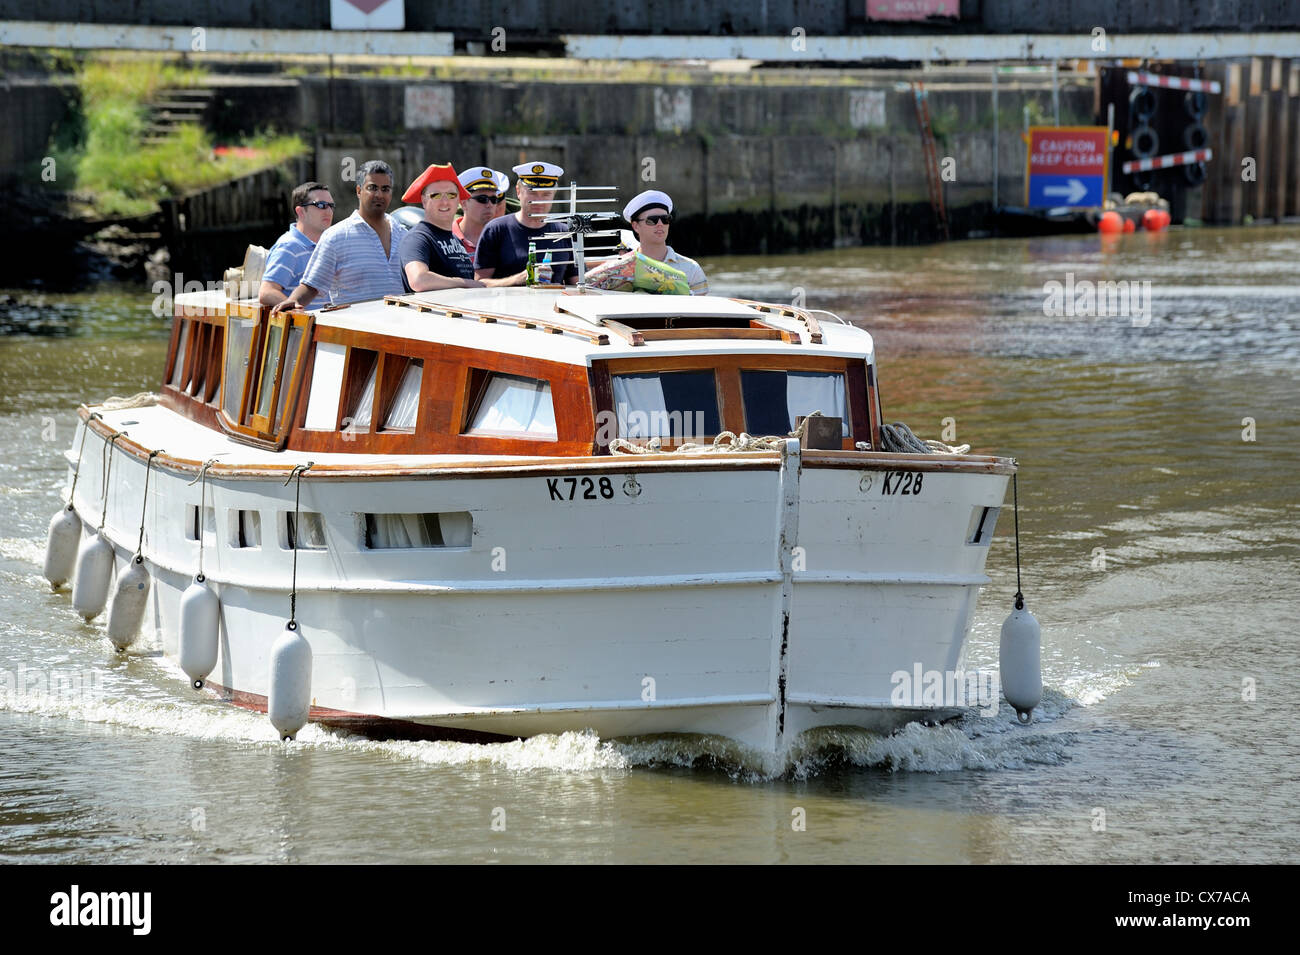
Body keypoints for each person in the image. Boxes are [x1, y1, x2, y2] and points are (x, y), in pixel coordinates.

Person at [272, 160, 407, 313]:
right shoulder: (336, 237)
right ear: (358, 191)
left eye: (385, 189)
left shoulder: (404, 235)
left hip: (400, 331)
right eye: (372, 188)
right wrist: (291, 302)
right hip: (354, 332)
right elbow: (311, 286)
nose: (379, 194)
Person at [473, 161, 576, 286]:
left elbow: (576, 285)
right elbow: (479, 284)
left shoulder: (564, 233)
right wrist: (517, 279)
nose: (538, 200)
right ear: (518, 191)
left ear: (554, 194)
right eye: (532, 192)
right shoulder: (496, 230)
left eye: (546, 194)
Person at [398, 163, 482, 292]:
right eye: (436, 195)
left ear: (459, 199)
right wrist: (464, 283)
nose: (445, 202)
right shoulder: (417, 238)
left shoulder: (455, 239)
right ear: (424, 201)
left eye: (451, 195)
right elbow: (418, 280)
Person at [259, 181, 334, 307]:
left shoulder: (329, 245)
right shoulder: (288, 247)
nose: (329, 211)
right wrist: (298, 311)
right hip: (307, 325)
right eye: (321, 205)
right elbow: (266, 292)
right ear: (300, 211)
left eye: (331, 205)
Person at [622, 189, 709, 295]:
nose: (660, 224)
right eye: (652, 220)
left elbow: (701, 309)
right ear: (635, 226)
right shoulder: (622, 268)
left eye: (665, 219)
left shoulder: (692, 268)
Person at [453, 166, 510, 256]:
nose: (489, 205)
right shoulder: (443, 239)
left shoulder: (508, 239)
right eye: (482, 199)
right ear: (463, 203)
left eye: (493, 199)